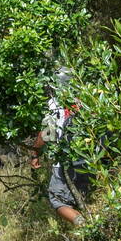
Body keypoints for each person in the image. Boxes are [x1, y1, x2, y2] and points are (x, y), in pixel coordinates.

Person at [31, 67, 88, 227]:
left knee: (58, 201)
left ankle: (85, 226)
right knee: (84, 199)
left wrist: (35, 153)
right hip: (89, 160)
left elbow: (46, 134)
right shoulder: (86, 100)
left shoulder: (54, 104)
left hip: (65, 162)